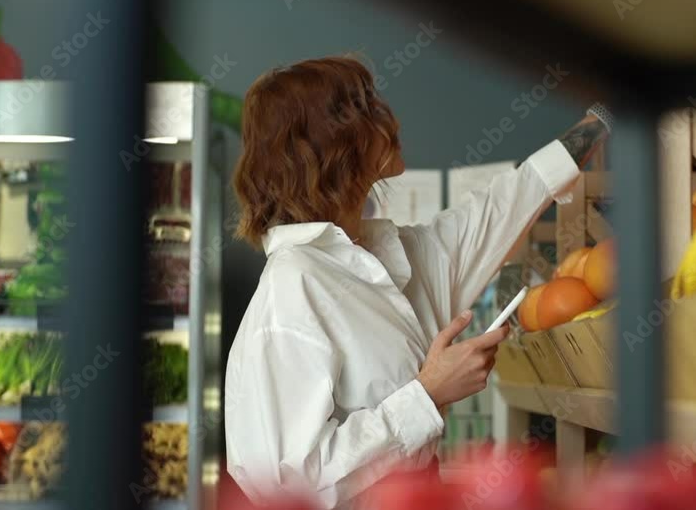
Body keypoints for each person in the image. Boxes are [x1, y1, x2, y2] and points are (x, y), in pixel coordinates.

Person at [225, 56, 610, 509]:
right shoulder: (293, 286)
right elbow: (290, 485)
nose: (392, 119)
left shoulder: (397, 253)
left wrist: (604, 119)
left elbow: (506, 203)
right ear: (334, 143)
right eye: (367, 107)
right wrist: (428, 394)